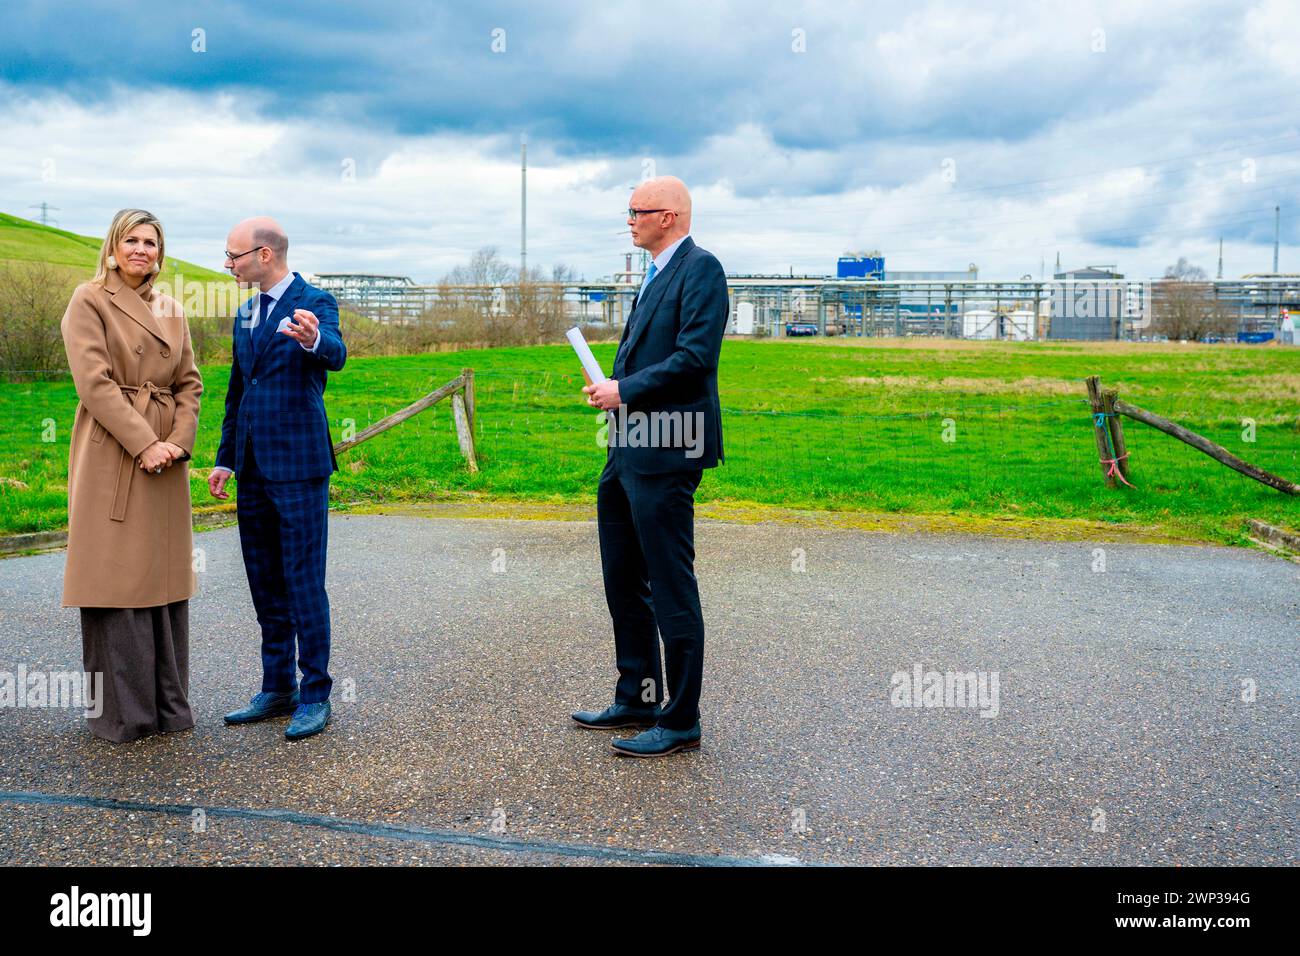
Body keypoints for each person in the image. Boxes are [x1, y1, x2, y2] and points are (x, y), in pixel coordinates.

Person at [573, 176, 729, 757]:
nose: (629, 219)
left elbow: (694, 359)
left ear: (670, 215)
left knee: (668, 583)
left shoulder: (702, 270)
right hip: (627, 445)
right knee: (623, 577)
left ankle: (680, 717)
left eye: (637, 211)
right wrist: (613, 392)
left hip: (668, 447)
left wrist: (625, 390)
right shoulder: (653, 275)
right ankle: (638, 695)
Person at [60, 208, 203, 743]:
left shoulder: (172, 309)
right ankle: (125, 716)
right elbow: (93, 383)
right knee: (117, 577)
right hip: (114, 454)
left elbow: (190, 384)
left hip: (167, 459)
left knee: (162, 579)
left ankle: (168, 708)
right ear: (114, 245)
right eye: (132, 240)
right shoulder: (89, 299)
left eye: (151, 241)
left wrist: (176, 443)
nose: (142, 249)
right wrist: (145, 443)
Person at [209, 217, 346, 741]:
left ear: (264, 255)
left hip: (300, 466)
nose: (228, 265)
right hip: (253, 470)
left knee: (303, 582)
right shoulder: (245, 314)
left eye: (234, 256)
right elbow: (237, 391)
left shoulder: (317, 301)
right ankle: (276, 687)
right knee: (264, 580)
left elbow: (337, 354)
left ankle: (314, 694)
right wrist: (226, 458)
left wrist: (314, 341)